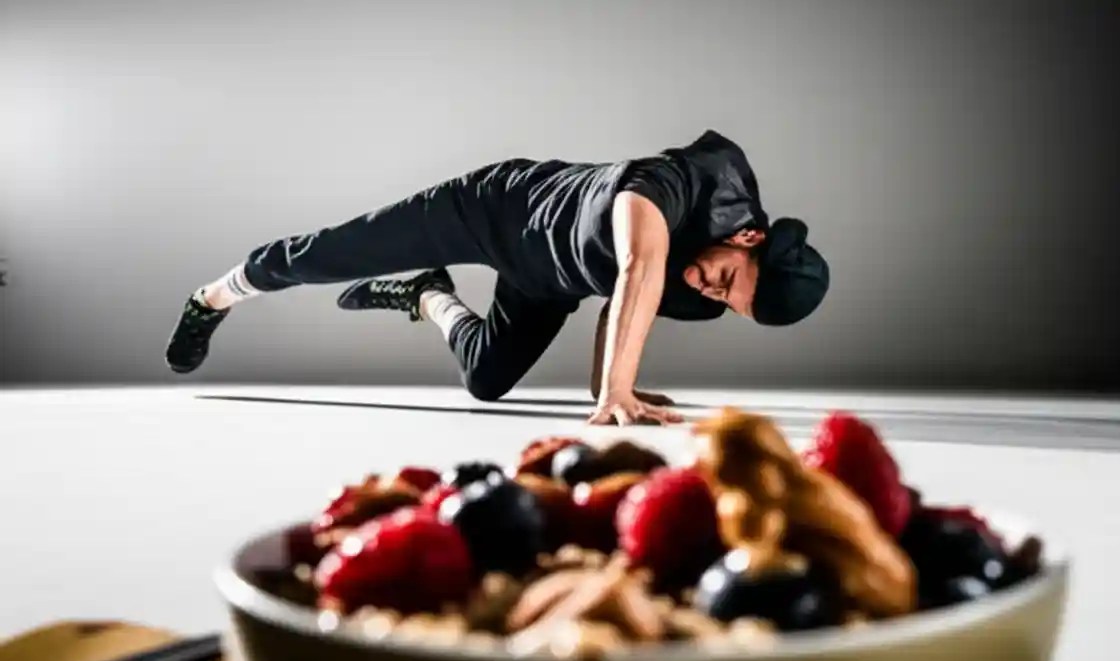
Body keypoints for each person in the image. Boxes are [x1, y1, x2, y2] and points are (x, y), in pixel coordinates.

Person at [164, 130, 829, 426]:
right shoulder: (696, 179)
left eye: (724, 303)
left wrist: (608, 383)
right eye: (723, 279)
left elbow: (622, 304)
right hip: (491, 210)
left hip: (545, 281)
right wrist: (616, 393)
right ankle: (215, 295)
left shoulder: (697, 287)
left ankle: (427, 294)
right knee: (329, 253)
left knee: (486, 382)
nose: (709, 291)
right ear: (748, 238)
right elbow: (637, 268)